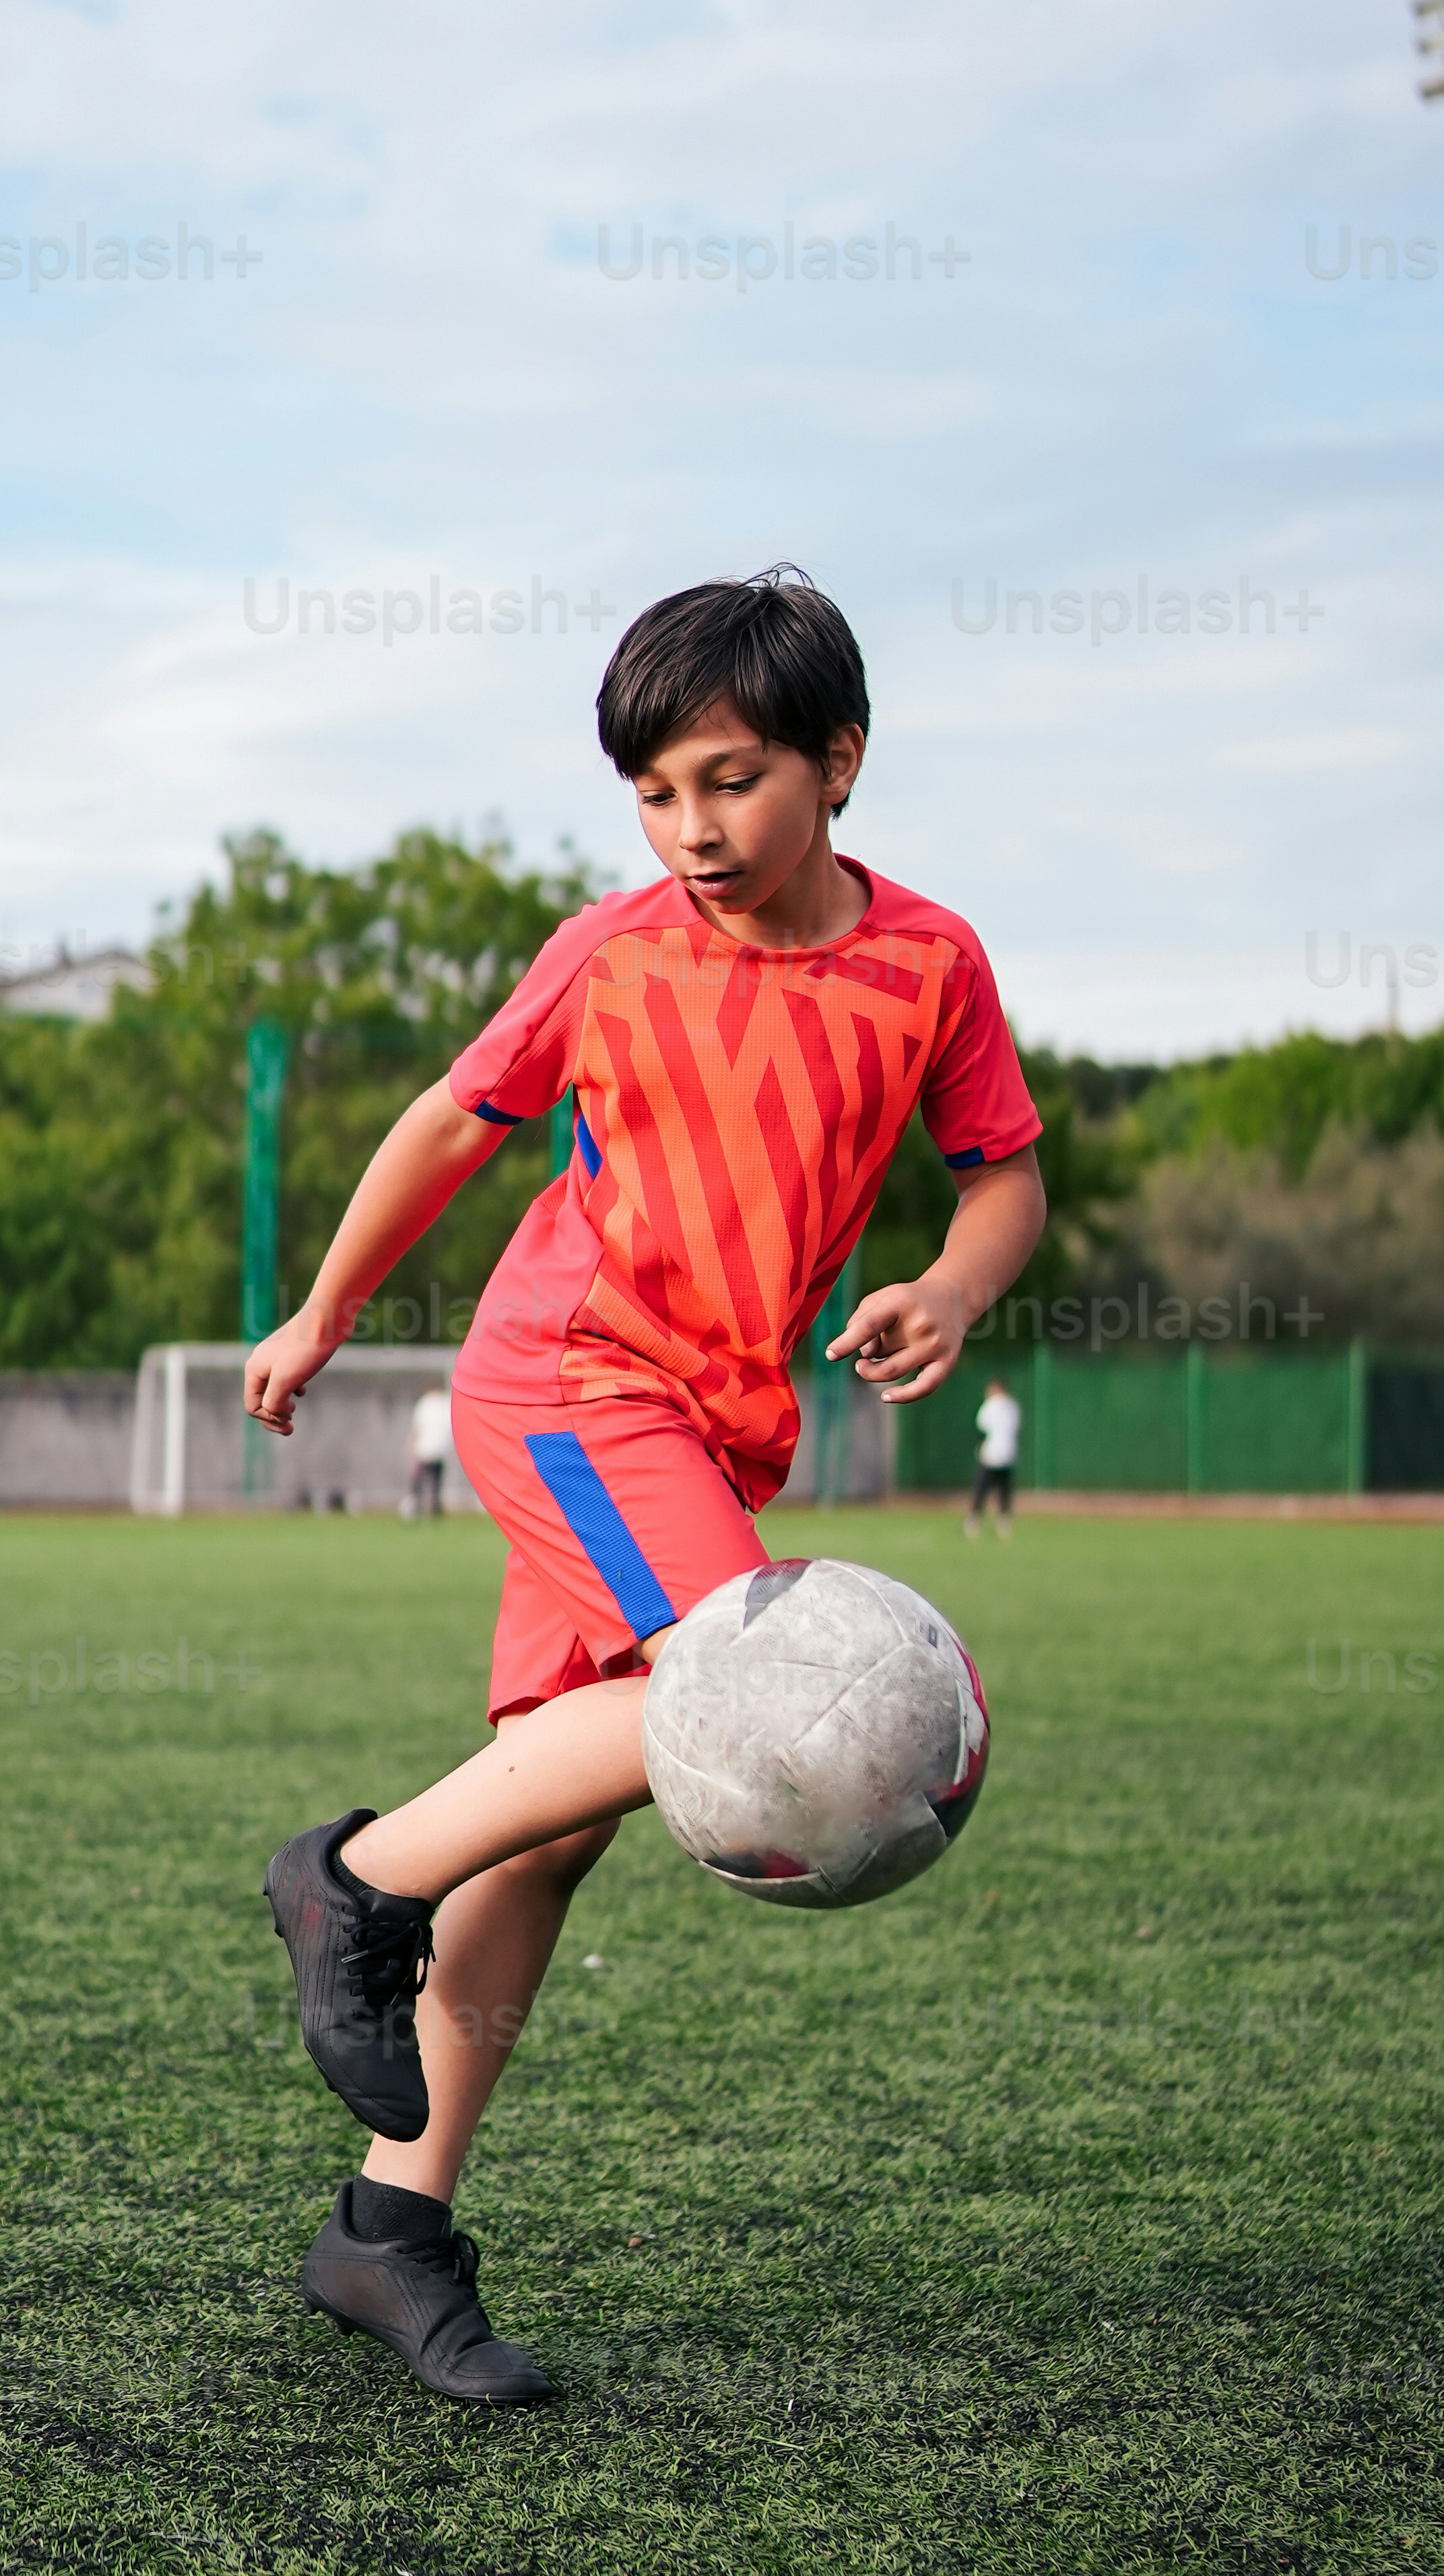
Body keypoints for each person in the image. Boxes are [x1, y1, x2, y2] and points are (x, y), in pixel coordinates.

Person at [241, 570, 1047, 2404]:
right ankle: (351, 1879)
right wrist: (323, 1308)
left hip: (712, 1422)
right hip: (569, 1380)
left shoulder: (931, 965)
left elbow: (1003, 1171)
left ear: (839, 764)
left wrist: (955, 1281)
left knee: (553, 1829)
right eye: (658, 793)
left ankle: (389, 2231)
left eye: (732, 780)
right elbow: (455, 1119)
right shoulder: (610, 955)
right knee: (742, 1696)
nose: (692, 829)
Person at [964, 1375, 1022, 1536]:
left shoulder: (990, 1406)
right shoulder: (1013, 1406)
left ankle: (974, 1521)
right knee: (1004, 1490)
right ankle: (1004, 1524)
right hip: (1008, 1454)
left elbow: (982, 1428)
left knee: (981, 1489)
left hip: (991, 1454)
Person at [403, 1378, 456, 1520]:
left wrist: (411, 1445)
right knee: (436, 1481)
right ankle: (434, 1508)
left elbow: (418, 1427)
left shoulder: (425, 1403)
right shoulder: (445, 1404)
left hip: (424, 1449)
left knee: (417, 1481)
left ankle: (415, 1507)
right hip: (441, 1450)